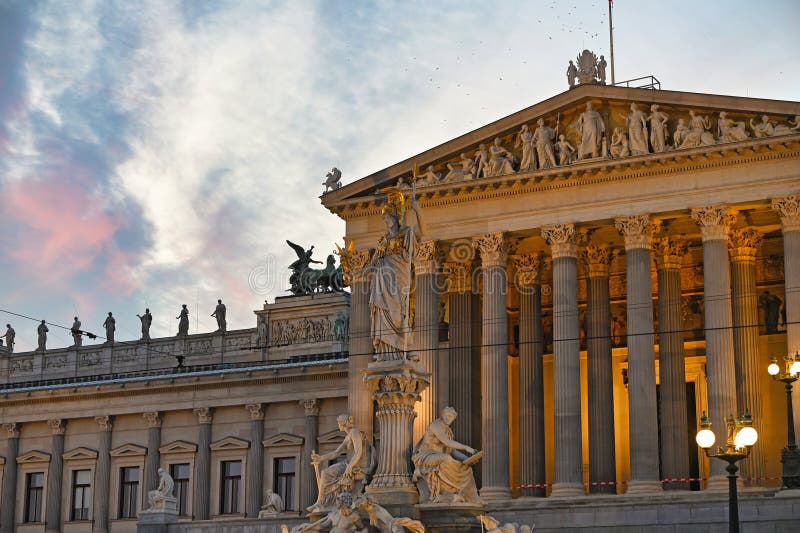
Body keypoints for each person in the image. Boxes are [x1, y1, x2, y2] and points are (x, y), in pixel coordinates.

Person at [412, 406, 482, 504]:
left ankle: (473, 498)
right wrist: (466, 448)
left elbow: (452, 450)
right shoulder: (435, 425)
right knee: (447, 458)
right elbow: (447, 442)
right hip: (426, 456)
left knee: (466, 468)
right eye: (447, 416)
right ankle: (444, 492)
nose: (449, 418)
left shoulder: (449, 431)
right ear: (442, 415)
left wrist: (467, 459)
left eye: (451, 417)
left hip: (438, 457)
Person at [308, 414, 374, 513]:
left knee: (325, 473)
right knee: (325, 472)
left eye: (339, 423)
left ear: (343, 424)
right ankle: (321, 502)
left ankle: (321, 502)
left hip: (358, 466)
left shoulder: (354, 432)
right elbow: (336, 453)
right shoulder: (348, 436)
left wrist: (349, 467)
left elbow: (358, 451)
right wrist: (321, 458)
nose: (338, 425)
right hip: (350, 464)